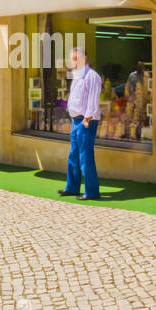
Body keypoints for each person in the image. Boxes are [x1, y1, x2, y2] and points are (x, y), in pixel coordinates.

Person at [59, 46, 104, 199]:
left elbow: (93, 99)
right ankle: (72, 187)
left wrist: (87, 118)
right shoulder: (77, 76)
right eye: (72, 59)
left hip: (86, 121)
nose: (73, 62)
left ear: (84, 58)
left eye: (75, 58)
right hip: (76, 120)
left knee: (86, 156)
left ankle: (91, 192)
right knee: (74, 154)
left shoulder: (92, 76)